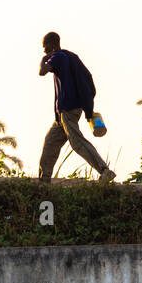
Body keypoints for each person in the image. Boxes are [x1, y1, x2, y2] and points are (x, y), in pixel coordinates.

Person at [38, 32, 115, 183]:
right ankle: (43, 180)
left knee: (77, 142)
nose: (44, 50)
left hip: (68, 109)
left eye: (45, 47)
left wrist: (43, 59)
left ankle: (104, 170)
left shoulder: (59, 57)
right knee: (50, 143)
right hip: (63, 114)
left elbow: (42, 71)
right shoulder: (70, 56)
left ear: (52, 45)